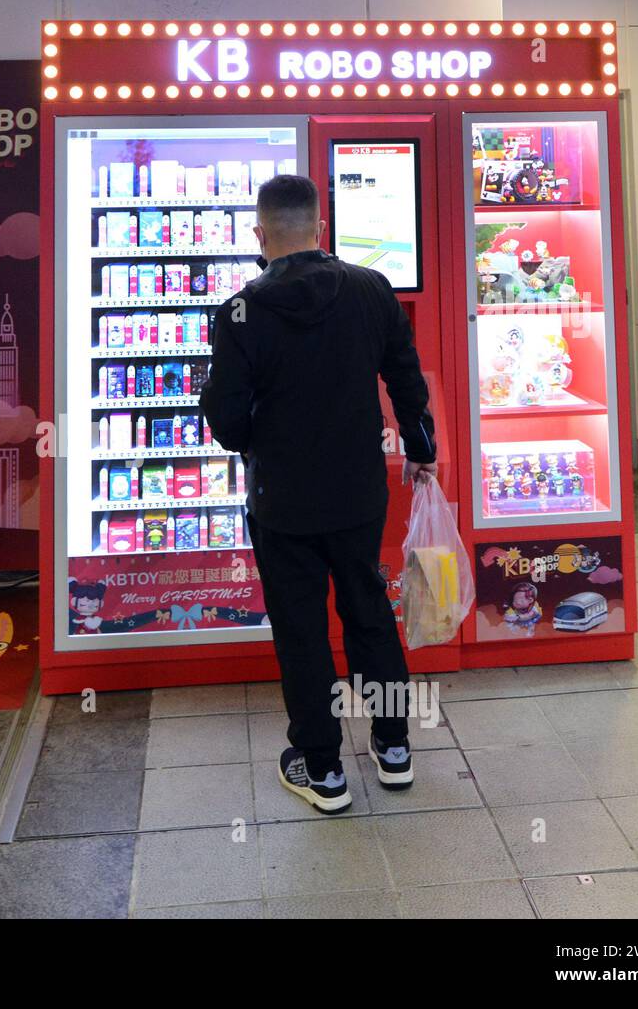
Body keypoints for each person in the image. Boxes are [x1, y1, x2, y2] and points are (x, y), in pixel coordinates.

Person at [199, 174, 437, 814]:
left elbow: (223, 417)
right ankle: (393, 748)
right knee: (368, 611)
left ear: (259, 233)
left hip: (282, 497)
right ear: (320, 227)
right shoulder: (370, 288)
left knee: (300, 629)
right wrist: (421, 450)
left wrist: (254, 442)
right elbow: (405, 381)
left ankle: (324, 770)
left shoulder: (241, 310)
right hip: (359, 489)